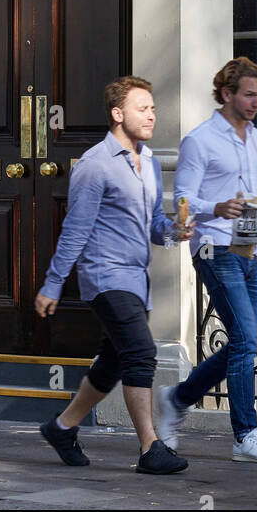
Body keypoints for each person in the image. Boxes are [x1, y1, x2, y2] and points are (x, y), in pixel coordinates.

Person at [158, 57, 257, 463]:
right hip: (214, 248)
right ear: (226, 94)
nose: (255, 102)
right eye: (248, 94)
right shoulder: (200, 140)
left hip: (248, 249)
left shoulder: (256, 139)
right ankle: (246, 435)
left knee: (245, 343)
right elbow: (182, 201)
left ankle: (177, 399)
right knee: (246, 341)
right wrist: (216, 207)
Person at [36, 75, 193, 475]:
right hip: (105, 276)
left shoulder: (151, 162)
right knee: (141, 354)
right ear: (117, 113)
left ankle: (62, 427)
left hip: (136, 279)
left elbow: (154, 224)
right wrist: (53, 283)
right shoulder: (95, 165)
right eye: (143, 108)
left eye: (153, 108)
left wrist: (175, 230)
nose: (151, 115)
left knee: (112, 361)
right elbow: (76, 228)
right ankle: (150, 448)